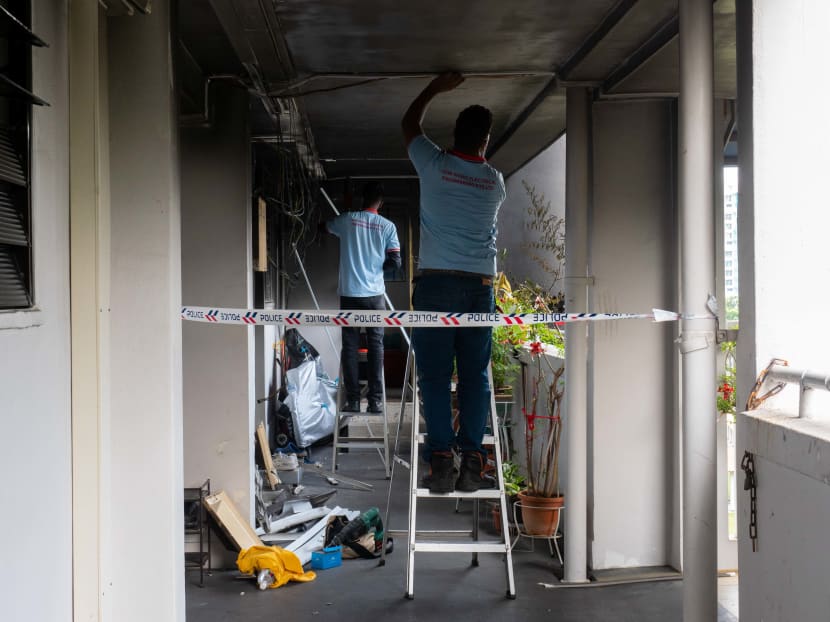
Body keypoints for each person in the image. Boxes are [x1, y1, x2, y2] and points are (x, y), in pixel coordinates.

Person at [402, 72, 506, 493]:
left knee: (434, 376)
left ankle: (442, 461)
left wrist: (433, 88)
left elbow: (409, 125)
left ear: (455, 134)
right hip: (480, 288)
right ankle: (473, 462)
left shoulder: (434, 165)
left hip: (437, 287)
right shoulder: (494, 181)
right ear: (486, 141)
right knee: (474, 377)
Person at [325, 182, 401, 414]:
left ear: (362, 198)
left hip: (350, 294)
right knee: (376, 346)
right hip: (375, 296)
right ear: (381, 202)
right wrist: (376, 268)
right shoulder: (388, 226)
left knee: (350, 346)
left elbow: (325, 227)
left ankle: (354, 401)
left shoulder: (347, 220)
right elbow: (395, 262)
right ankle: (376, 401)